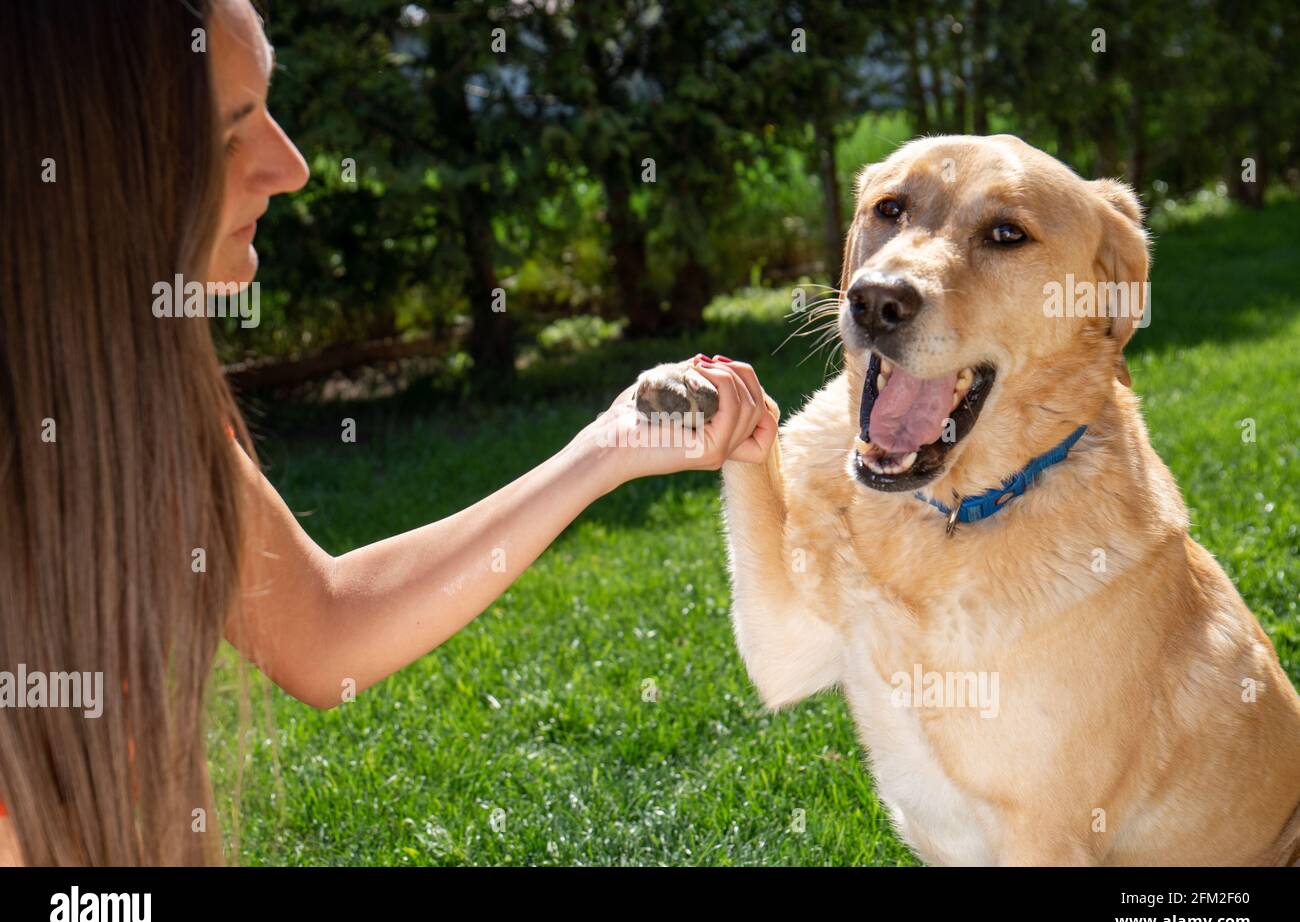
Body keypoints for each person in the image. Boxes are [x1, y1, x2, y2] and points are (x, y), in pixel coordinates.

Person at [0, 0, 776, 865]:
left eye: (267, 109)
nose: (290, 167)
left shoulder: (136, 395)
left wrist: (611, 445)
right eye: (227, 136)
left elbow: (322, 629)